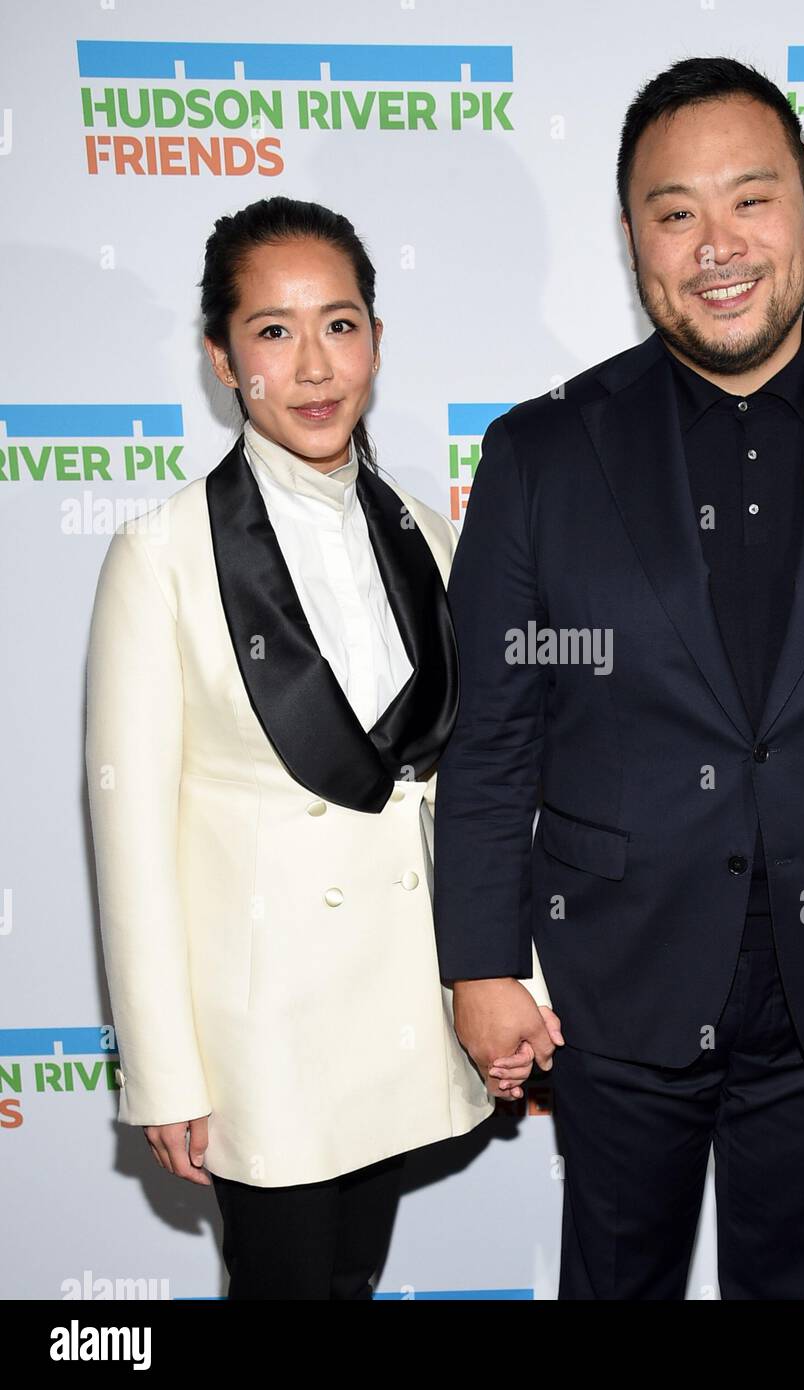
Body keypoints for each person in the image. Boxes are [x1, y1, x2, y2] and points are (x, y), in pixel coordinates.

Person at [432, 58, 804, 1299]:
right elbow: (493, 733)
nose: (717, 245)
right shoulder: (539, 451)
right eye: (673, 211)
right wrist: (479, 964)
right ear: (631, 239)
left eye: (750, 199)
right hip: (611, 969)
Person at [84, 195, 553, 1300]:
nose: (311, 365)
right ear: (220, 356)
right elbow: (131, 832)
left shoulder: (434, 534)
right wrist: (163, 1069)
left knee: (350, 1282)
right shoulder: (159, 555)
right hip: (265, 1040)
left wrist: (512, 979)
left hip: (398, 1007)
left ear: (377, 342)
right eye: (272, 330)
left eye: (339, 325)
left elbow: (467, 793)